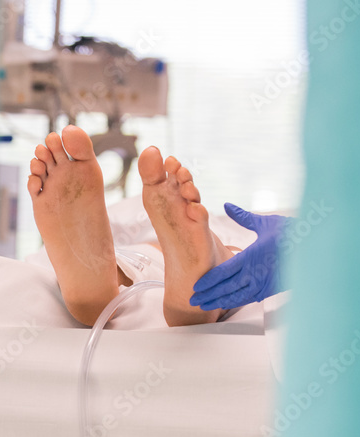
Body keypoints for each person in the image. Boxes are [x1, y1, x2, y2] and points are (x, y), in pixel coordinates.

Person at [27, 124, 241, 327]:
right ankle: (212, 279)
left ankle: (112, 279)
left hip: (145, 251)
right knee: (234, 252)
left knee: (158, 249)